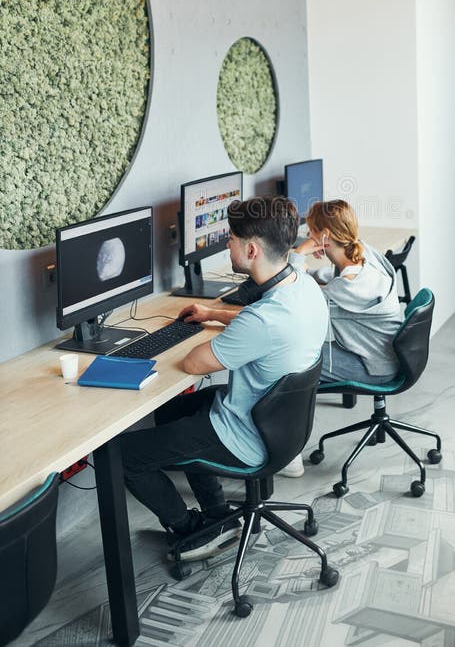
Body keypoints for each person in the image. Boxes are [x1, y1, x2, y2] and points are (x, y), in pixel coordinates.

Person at [120, 196, 328, 561]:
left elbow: (194, 364)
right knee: (174, 411)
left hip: (245, 437)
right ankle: (217, 514)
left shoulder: (261, 320)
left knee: (122, 455)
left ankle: (190, 531)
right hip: (279, 424)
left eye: (230, 238)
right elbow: (260, 326)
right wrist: (214, 314)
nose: (226, 244)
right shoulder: (302, 286)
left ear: (250, 249)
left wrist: (208, 330)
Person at [292, 199, 404, 385]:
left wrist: (299, 254)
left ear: (325, 235)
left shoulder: (348, 285)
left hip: (373, 368)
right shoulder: (365, 253)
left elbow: (295, 299)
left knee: (289, 354)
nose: (308, 235)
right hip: (383, 356)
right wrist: (310, 272)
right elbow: (334, 279)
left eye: (310, 231)